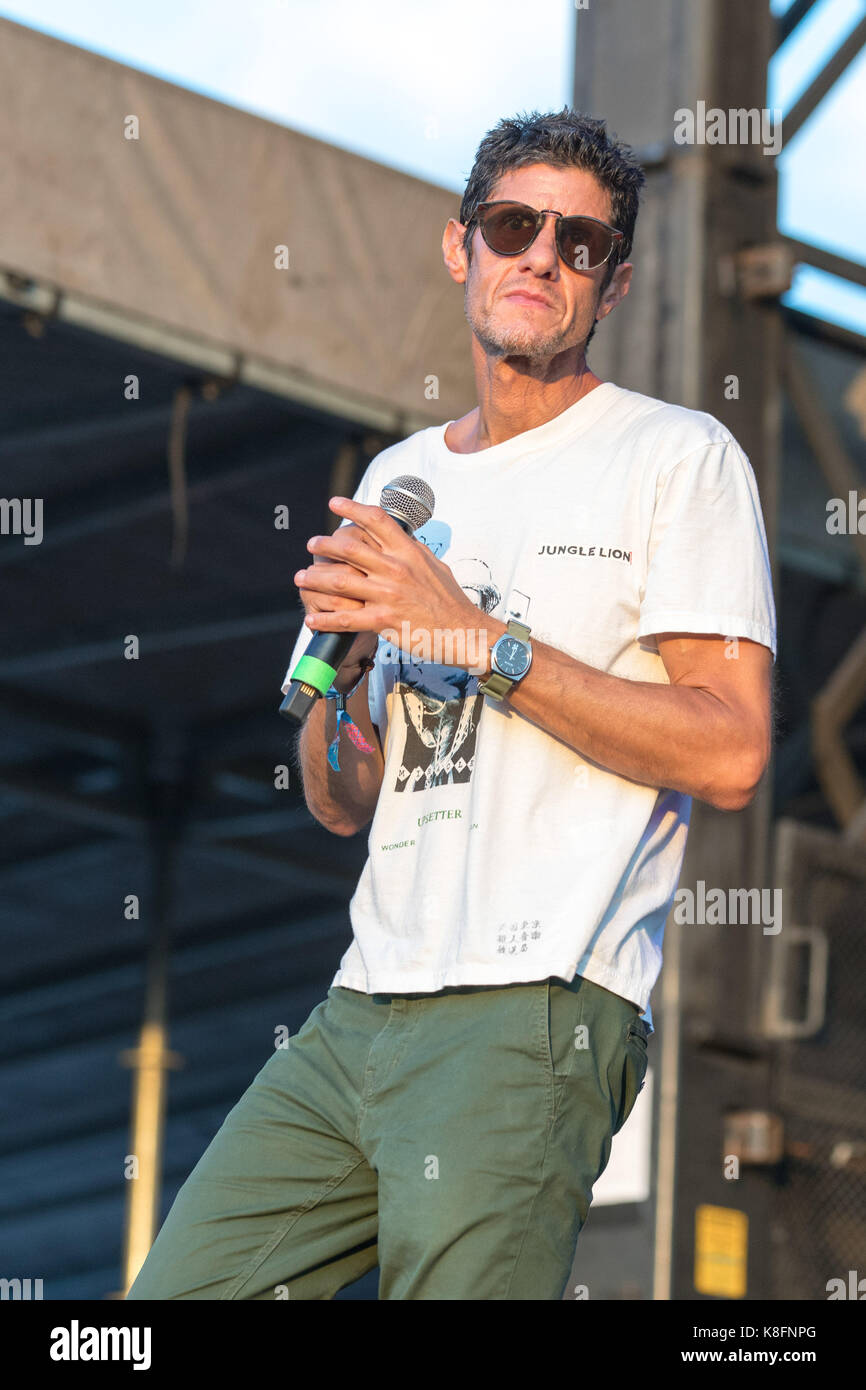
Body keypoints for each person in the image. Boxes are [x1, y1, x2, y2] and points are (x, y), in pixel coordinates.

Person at [127, 108, 776, 1301]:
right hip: (362, 1001)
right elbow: (342, 800)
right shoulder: (398, 479)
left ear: (613, 282)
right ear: (458, 247)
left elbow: (729, 752)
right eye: (512, 225)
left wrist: (479, 641)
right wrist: (343, 694)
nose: (540, 256)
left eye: (577, 244)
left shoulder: (674, 458)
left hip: (531, 1009)